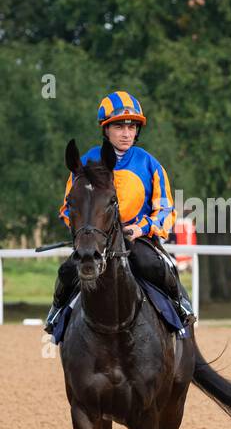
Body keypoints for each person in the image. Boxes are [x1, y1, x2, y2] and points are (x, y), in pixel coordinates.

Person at [46, 91, 192, 333]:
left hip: (137, 239)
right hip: (95, 240)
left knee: (153, 265)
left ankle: (181, 307)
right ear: (106, 130)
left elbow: (165, 208)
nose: (126, 133)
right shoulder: (85, 162)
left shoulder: (149, 163)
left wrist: (141, 228)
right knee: (67, 270)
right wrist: (86, 233)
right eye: (119, 127)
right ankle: (57, 313)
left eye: (132, 127)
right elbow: (68, 207)